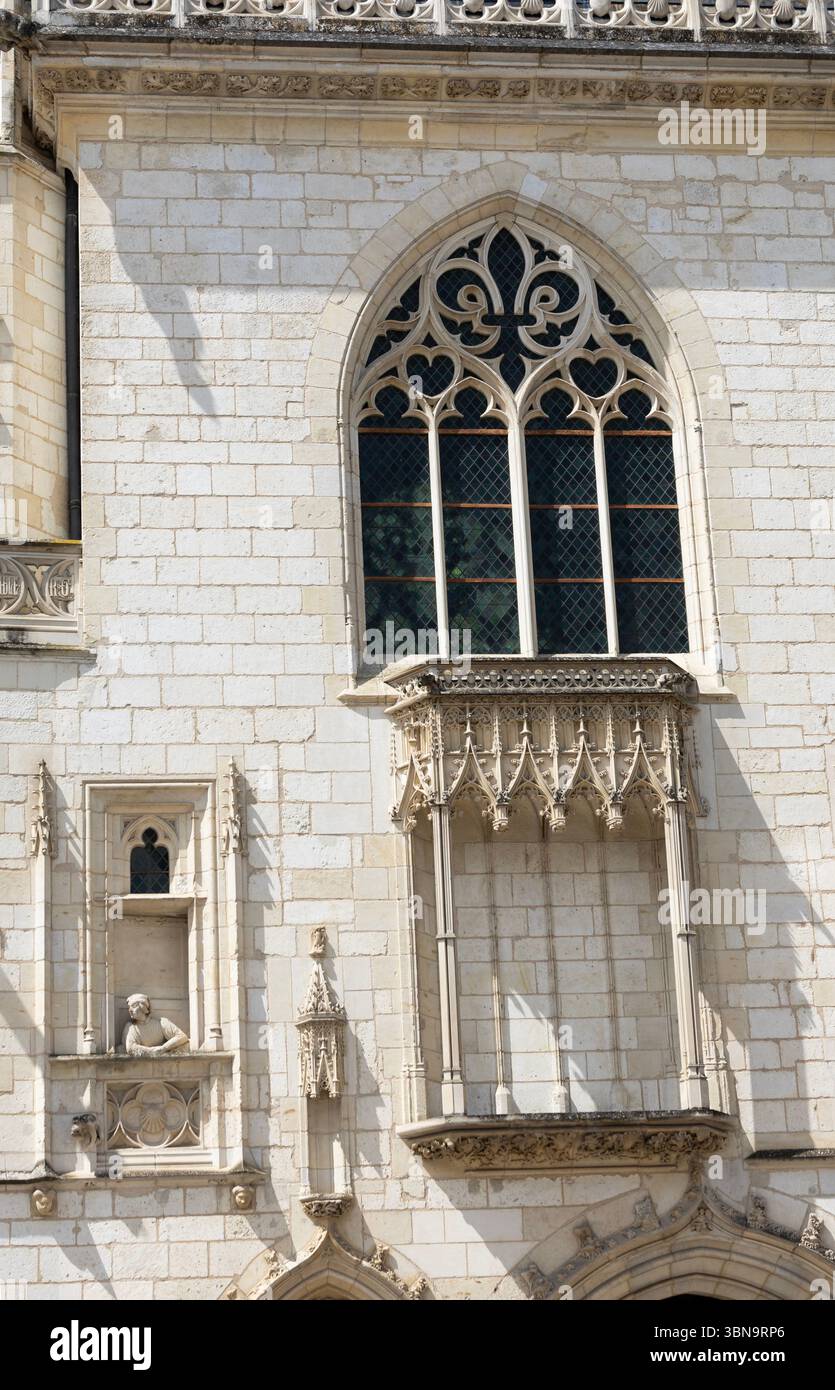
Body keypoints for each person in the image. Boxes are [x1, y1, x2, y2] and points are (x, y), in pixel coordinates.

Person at [121, 993, 189, 1057]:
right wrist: (153, 1051)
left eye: (133, 1006)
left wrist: (163, 1048)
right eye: (129, 1007)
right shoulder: (130, 1027)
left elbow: (182, 1036)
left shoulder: (161, 1023)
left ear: (143, 1007)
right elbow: (131, 1048)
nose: (130, 1010)